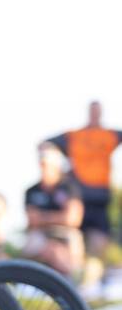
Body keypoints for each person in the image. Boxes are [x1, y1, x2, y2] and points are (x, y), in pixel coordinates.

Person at [47, 102, 122, 293]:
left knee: (99, 244)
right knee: (75, 242)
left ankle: (94, 284)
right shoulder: (74, 136)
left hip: (101, 196)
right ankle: (75, 284)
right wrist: (59, 173)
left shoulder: (109, 135)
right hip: (79, 197)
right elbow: (46, 144)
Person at [24, 143, 83, 278]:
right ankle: (66, 286)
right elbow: (32, 220)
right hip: (40, 236)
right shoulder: (32, 191)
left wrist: (43, 217)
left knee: (69, 245)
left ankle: (69, 283)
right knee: (47, 247)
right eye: (42, 161)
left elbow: (73, 219)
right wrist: (59, 217)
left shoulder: (69, 187)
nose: (44, 165)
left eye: (47, 160)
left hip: (65, 235)